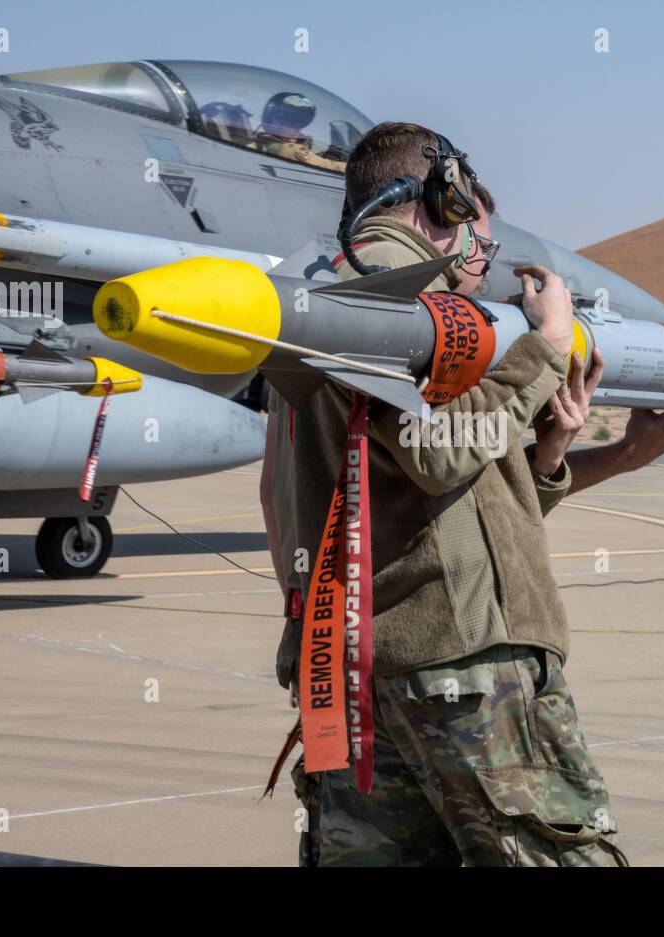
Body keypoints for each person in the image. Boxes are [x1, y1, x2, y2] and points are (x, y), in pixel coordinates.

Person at [260, 122, 622, 865]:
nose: (481, 260)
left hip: (350, 664)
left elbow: (309, 493)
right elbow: (439, 451)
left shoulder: (319, 297)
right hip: (459, 662)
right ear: (443, 193)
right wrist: (546, 350)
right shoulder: (412, 304)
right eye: (474, 228)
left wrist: (546, 450)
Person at [253, 92, 346, 172]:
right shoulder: (287, 149)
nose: (297, 127)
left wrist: (325, 155)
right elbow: (327, 166)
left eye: (303, 120)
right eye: (291, 119)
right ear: (272, 119)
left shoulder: (300, 146)